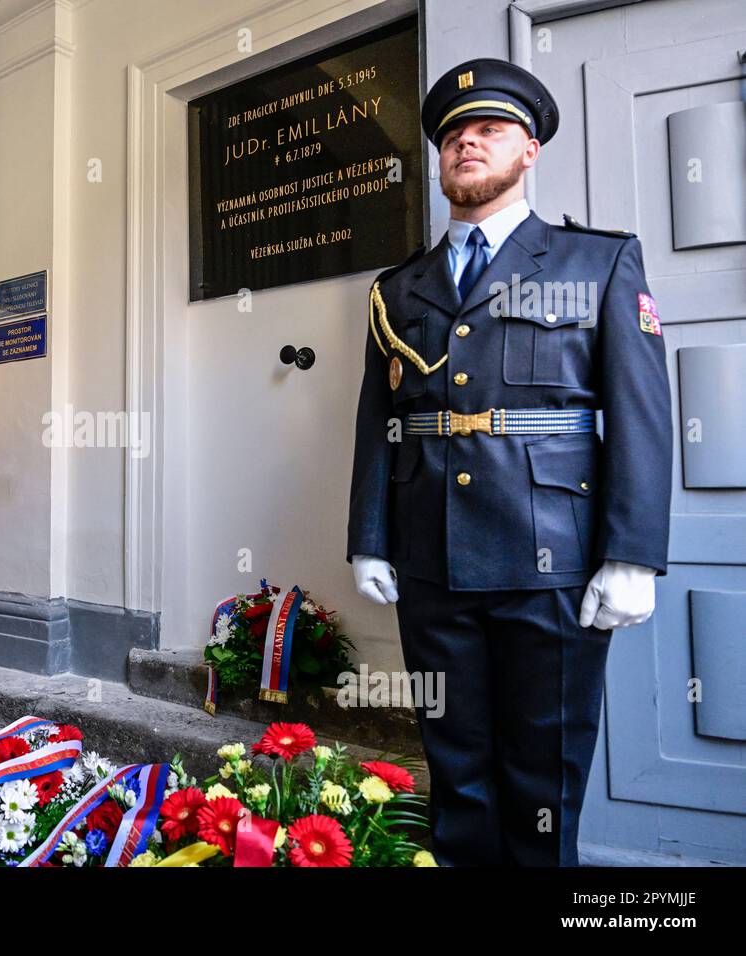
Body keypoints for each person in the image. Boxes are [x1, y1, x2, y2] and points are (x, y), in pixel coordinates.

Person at [346, 59, 672, 867]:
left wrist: (632, 555)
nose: (467, 143)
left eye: (489, 130)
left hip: (550, 561)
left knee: (542, 781)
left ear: (528, 150)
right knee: (455, 774)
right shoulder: (400, 288)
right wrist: (370, 536)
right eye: (454, 133)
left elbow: (640, 415)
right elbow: (379, 419)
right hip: (432, 563)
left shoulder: (593, 263)